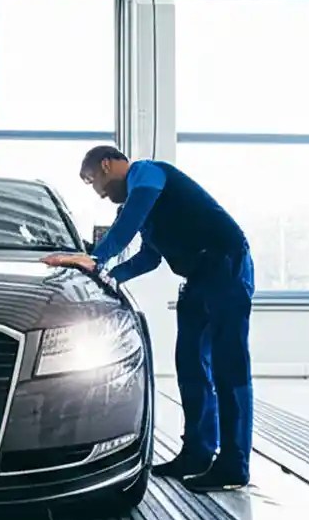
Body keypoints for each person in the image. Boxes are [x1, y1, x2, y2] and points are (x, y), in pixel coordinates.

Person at [42, 145, 254, 491]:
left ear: (107, 165)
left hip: (226, 265)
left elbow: (127, 225)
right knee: (190, 364)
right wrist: (109, 278)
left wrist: (95, 258)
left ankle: (234, 465)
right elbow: (149, 258)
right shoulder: (147, 202)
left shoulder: (148, 173)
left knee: (229, 367)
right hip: (198, 277)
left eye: (92, 181)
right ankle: (198, 452)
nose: (98, 193)